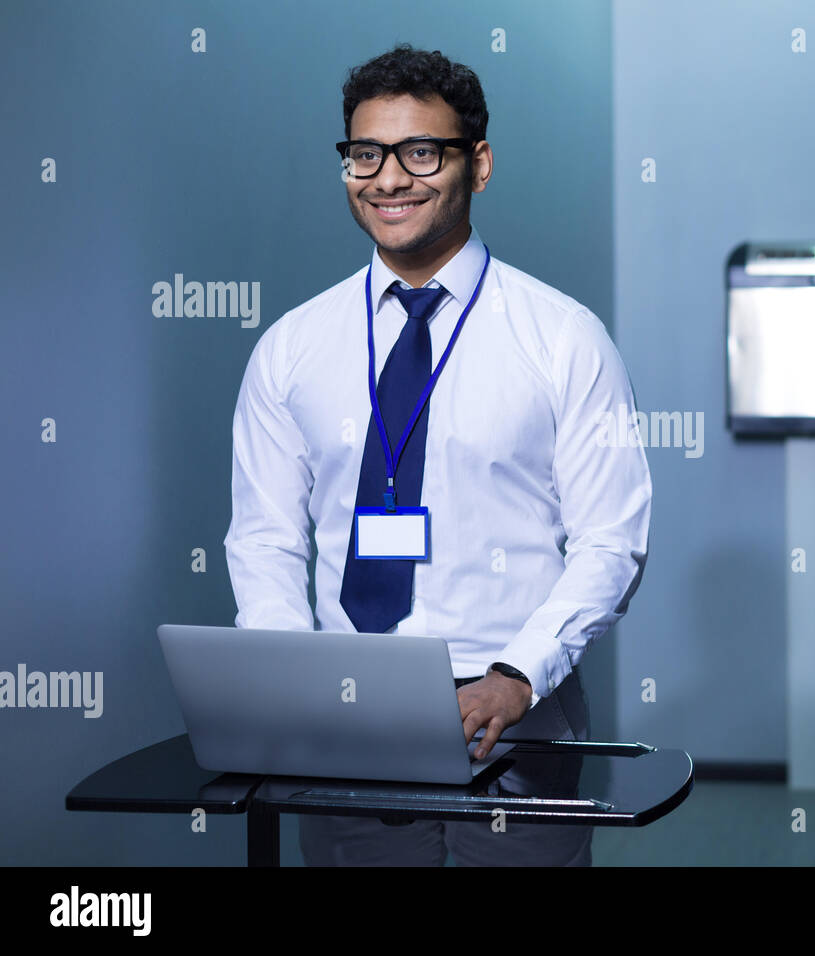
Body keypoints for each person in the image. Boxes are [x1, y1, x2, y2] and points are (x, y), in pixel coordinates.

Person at [222, 44, 652, 865]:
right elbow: (265, 537)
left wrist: (519, 675)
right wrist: (290, 683)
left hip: (518, 711)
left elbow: (612, 540)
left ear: (478, 163)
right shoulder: (290, 348)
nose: (389, 178)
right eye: (365, 154)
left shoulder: (564, 339)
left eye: (422, 152)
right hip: (347, 720)